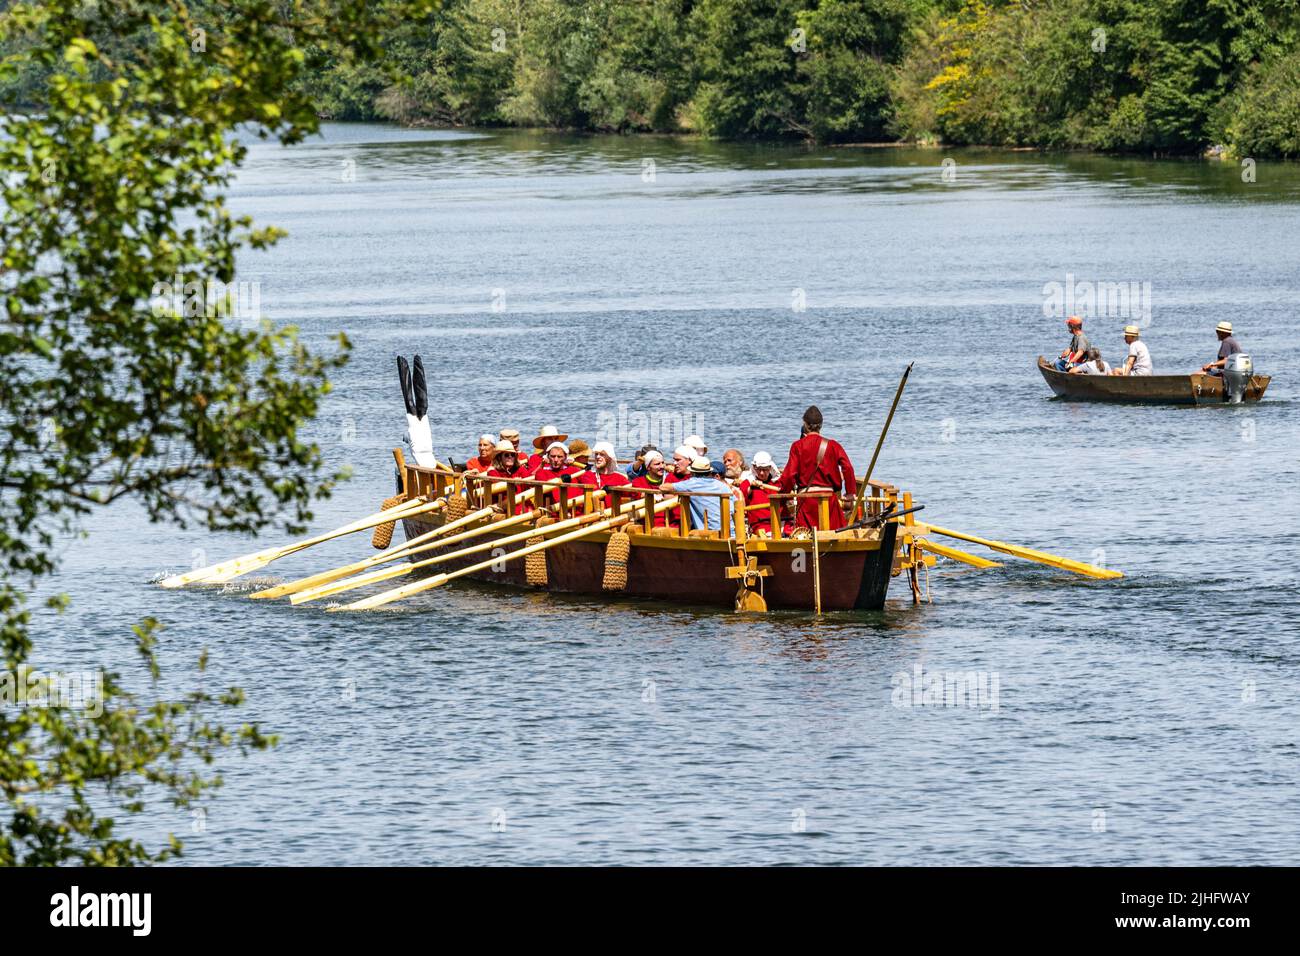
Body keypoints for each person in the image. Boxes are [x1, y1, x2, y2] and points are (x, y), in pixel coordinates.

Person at [778, 405, 856, 531]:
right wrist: (850, 493)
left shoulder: (797, 446)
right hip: (829, 501)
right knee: (834, 535)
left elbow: (790, 475)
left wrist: (783, 494)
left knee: (806, 537)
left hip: (806, 502)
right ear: (821, 425)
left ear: (805, 424)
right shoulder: (833, 445)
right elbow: (848, 467)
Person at [663, 457, 726, 531]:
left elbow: (663, 487)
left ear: (692, 472)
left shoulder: (692, 483)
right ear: (709, 472)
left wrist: (680, 493)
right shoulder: (722, 486)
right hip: (730, 530)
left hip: (710, 531)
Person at [739, 450, 785, 536]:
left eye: (765, 470)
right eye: (759, 469)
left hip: (781, 521)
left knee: (793, 530)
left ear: (770, 468)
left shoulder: (778, 483)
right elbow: (742, 495)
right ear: (754, 467)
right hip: (760, 524)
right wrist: (751, 487)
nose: (761, 473)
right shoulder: (747, 483)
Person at [629, 450, 677, 529]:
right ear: (648, 467)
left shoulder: (670, 479)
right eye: (657, 464)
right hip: (647, 525)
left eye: (663, 463)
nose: (662, 466)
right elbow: (640, 495)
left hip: (669, 524)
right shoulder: (638, 482)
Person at [485, 439, 530, 515]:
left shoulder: (520, 469)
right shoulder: (493, 472)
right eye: (506, 455)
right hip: (503, 509)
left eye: (512, 455)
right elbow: (499, 487)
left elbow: (530, 482)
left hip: (523, 506)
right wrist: (512, 483)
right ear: (499, 457)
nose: (510, 457)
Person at [531, 441, 581, 508]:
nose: (556, 460)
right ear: (548, 457)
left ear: (565, 457)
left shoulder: (574, 470)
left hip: (573, 510)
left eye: (560, 457)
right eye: (553, 456)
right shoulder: (541, 473)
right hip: (551, 512)